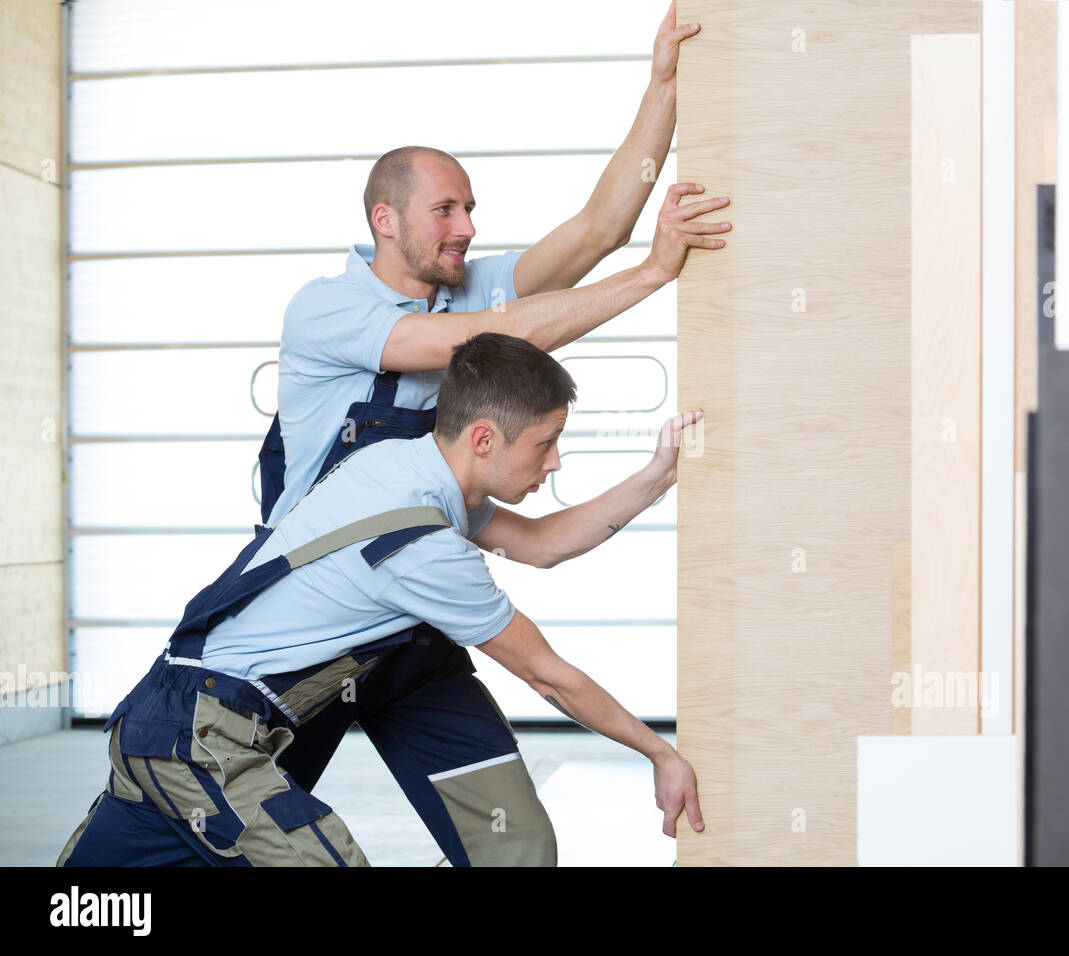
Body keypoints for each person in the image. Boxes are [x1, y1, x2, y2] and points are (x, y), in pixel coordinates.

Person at [57, 333, 705, 867]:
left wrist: (657, 475)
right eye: (545, 442)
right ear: (483, 439)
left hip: (172, 722)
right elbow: (548, 677)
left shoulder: (400, 467)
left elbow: (540, 544)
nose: (556, 462)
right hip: (199, 735)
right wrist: (660, 752)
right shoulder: (421, 543)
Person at [257, 2, 730, 528]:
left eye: (469, 210)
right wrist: (652, 273)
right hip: (311, 572)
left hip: (406, 552)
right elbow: (499, 332)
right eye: (444, 211)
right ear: (385, 221)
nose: (467, 229)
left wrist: (663, 86)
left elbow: (600, 230)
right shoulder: (326, 308)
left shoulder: (472, 290)